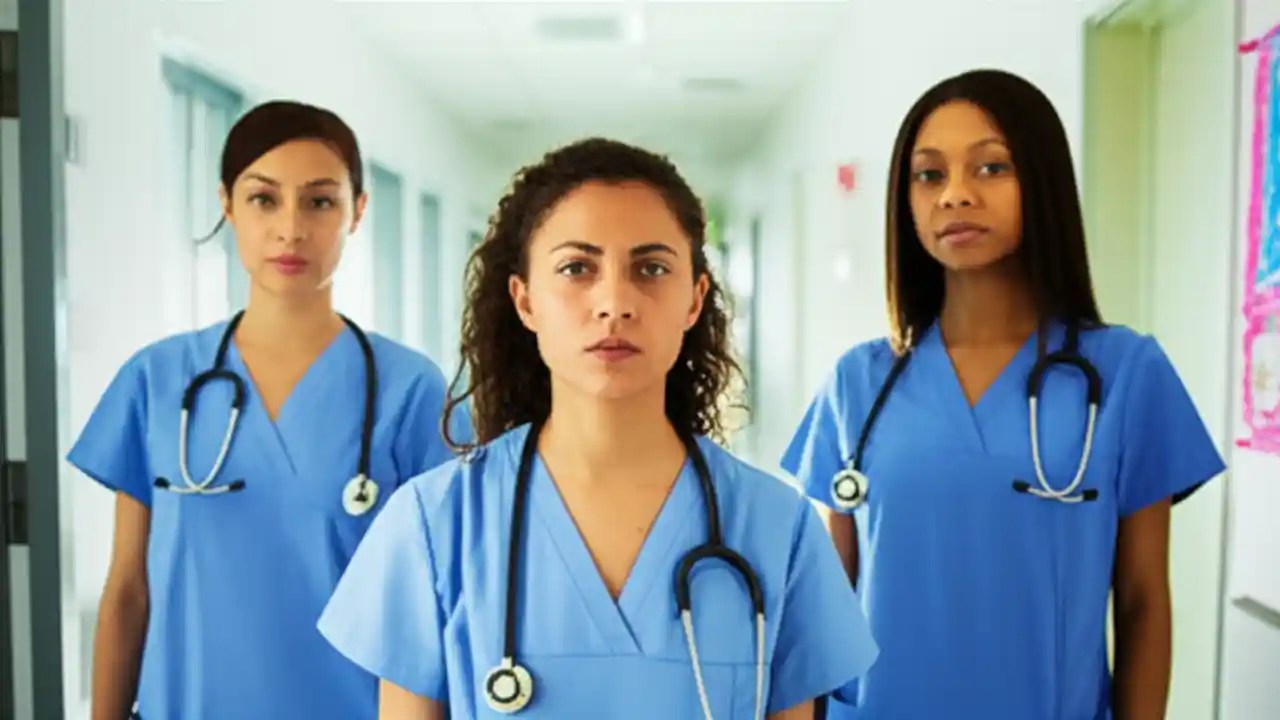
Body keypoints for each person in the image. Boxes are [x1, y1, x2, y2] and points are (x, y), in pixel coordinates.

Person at [317, 137, 879, 719]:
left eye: (652, 268)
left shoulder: (775, 528)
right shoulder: (436, 524)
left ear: (694, 299)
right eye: (577, 268)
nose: (614, 302)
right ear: (525, 300)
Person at [780, 68, 1227, 719]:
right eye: (929, 175)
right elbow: (826, 602)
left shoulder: (1127, 373)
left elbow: (1141, 601)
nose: (955, 195)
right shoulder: (859, 383)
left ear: (1041, 182)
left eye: (991, 168)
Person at [68, 100, 460, 720]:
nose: (291, 228)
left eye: (320, 201)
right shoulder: (158, 379)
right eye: (264, 199)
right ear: (227, 204)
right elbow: (128, 593)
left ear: (358, 211)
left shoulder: (409, 390)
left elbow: (437, 604)